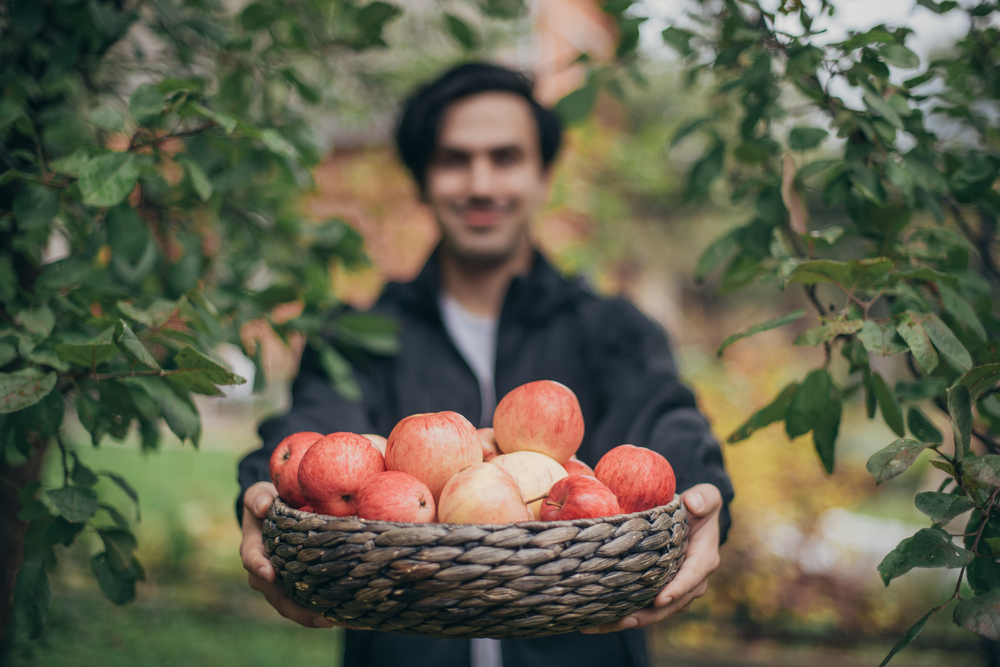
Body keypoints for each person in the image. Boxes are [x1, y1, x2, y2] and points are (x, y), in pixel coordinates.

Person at [237, 62, 734, 667]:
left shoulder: (613, 331)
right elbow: (312, 434)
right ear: (421, 179)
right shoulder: (357, 337)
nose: (480, 183)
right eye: (454, 159)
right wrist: (264, 494)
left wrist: (702, 502)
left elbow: (666, 421)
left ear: (542, 174)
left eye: (505, 157)